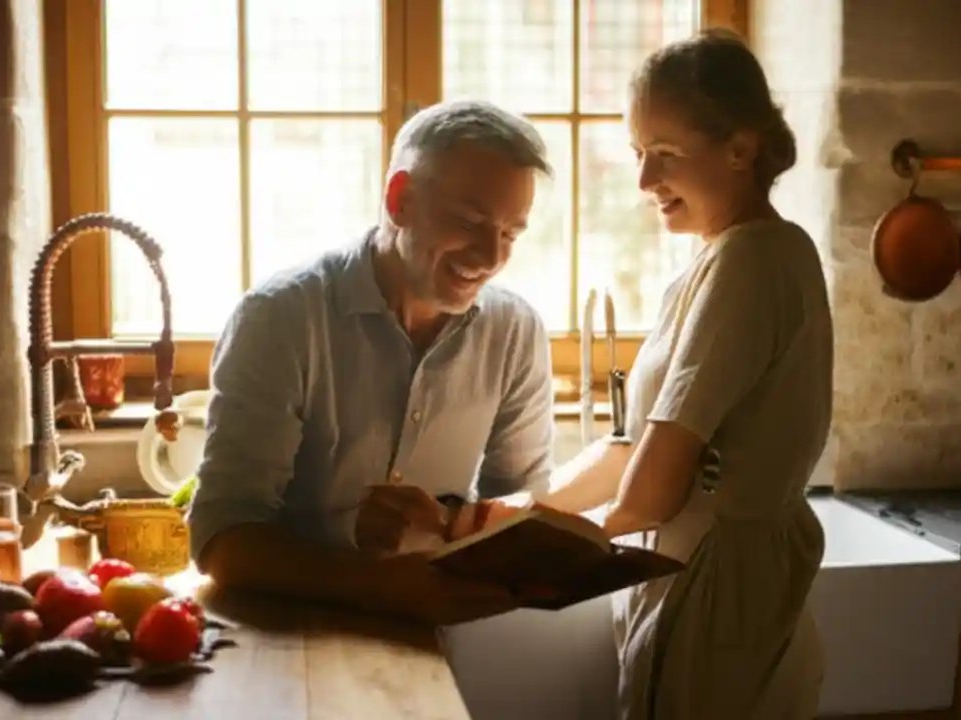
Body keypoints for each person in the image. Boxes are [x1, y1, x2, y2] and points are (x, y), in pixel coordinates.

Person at [479, 29, 831, 718]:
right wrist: (525, 512)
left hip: (720, 588)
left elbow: (656, 481)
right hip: (707, 573)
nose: (643, 181)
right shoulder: (723, 256)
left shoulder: (752, 262)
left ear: (741, 148)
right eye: (639, 153)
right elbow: (635, 448)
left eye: (665, 154)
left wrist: (560, 547)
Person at [186, 99, 557, 626]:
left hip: (429, 644)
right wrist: (380, 586)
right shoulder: (280, 318)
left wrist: (447, 522)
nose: (491, 256)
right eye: (469, 221)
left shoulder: (516, 332)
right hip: (286, 639)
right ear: (399, 199)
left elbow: (523, 510)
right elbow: (221, 540)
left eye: (510, 234)